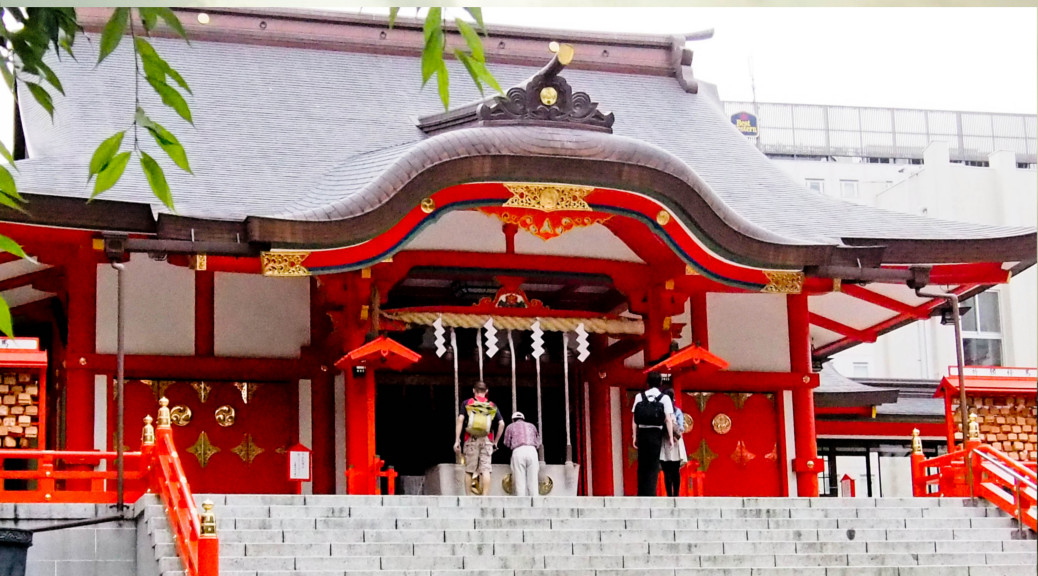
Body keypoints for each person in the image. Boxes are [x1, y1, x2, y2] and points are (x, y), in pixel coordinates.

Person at [454, 381, 504, 496]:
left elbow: (460, 420)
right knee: (485, 470)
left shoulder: (467, 403)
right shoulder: (492, 405)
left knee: (469, 470)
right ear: (486, 392)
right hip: (487, 440)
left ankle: (468, 497)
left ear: (473, 390)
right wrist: (495, 441)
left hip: (470, 439)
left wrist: (457, 440)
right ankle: (485, 498)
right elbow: (501, 424)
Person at [631, 372, 674, 496]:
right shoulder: (664, 398)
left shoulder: (640, 397)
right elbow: (668, 419)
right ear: (661, 383)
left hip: (643, 432)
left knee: (642, 463)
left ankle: (641, 493)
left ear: (647, 383)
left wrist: (634, 436)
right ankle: (651, 493)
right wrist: (671, 437)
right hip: (656, 433)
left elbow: (634, 418)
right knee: (653, 464)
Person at [501, 411, 541, 497]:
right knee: (533, 479)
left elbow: (506, 443)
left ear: (513, 420)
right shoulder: (532, 426)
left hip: (518, 451)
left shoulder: (510, 427)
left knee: (520, 480)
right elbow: (538, 442)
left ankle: (521, 502)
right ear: (523, 419)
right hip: (532, 450)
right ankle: (535, 502)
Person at [659, 388, 686, 497]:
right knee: (675, 470)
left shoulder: (661, 412)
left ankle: (670, 494)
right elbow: (681, 427)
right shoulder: (676, 411)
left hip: (665, 441)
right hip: (676, 441)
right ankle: (676, 494)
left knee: (667, 471)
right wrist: (676, 435)